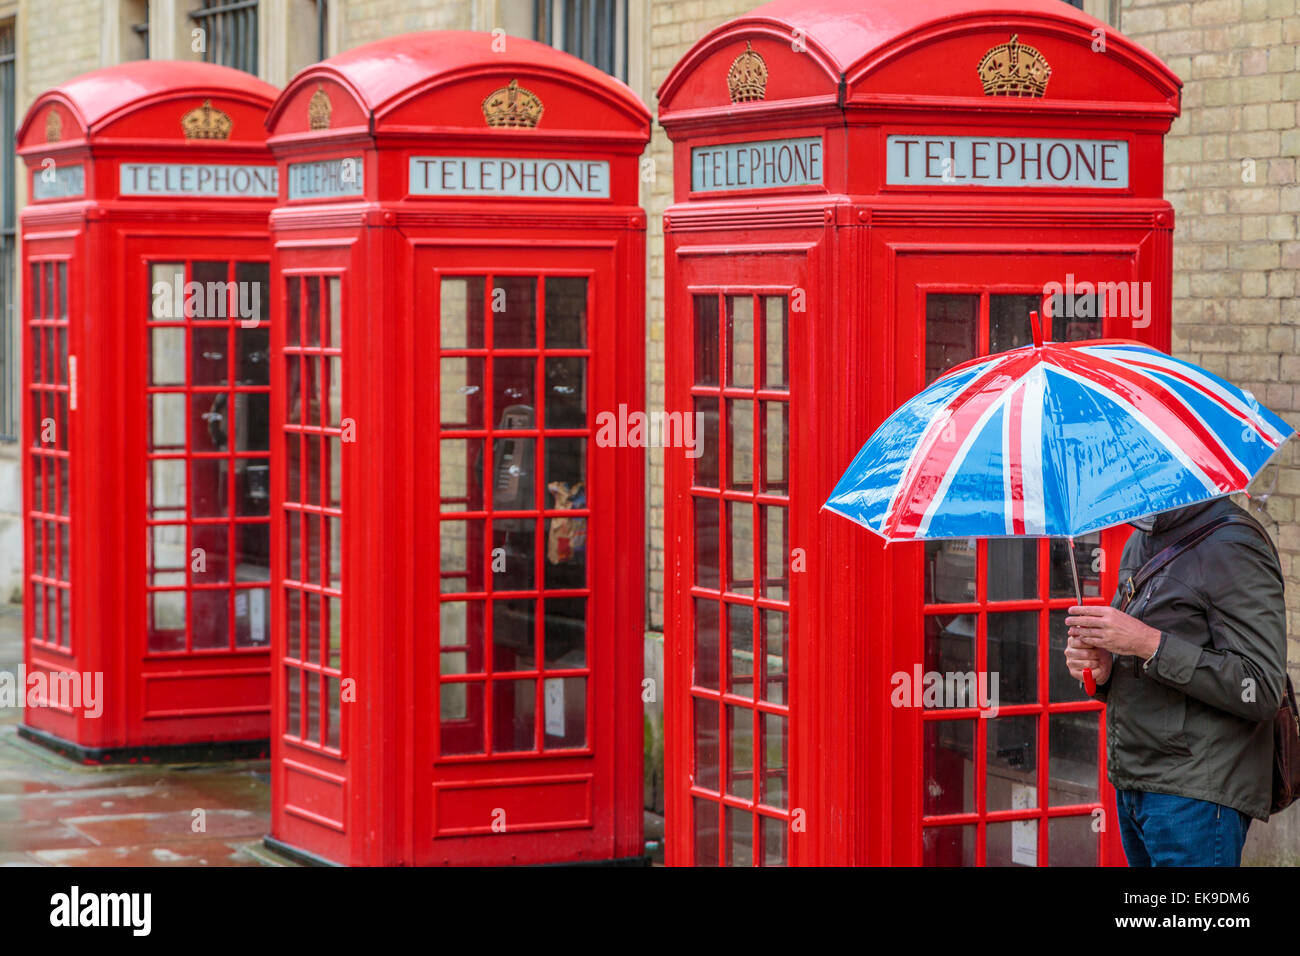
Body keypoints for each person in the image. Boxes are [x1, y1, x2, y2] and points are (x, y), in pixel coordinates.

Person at [1063, 497, 1287, 867]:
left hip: (1195, 793)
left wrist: (1148, 643)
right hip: (1133, 780)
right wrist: (1105, 668)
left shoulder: (1234, 544)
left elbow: (1260, 686)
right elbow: (1140, 653)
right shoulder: (1142, 538)